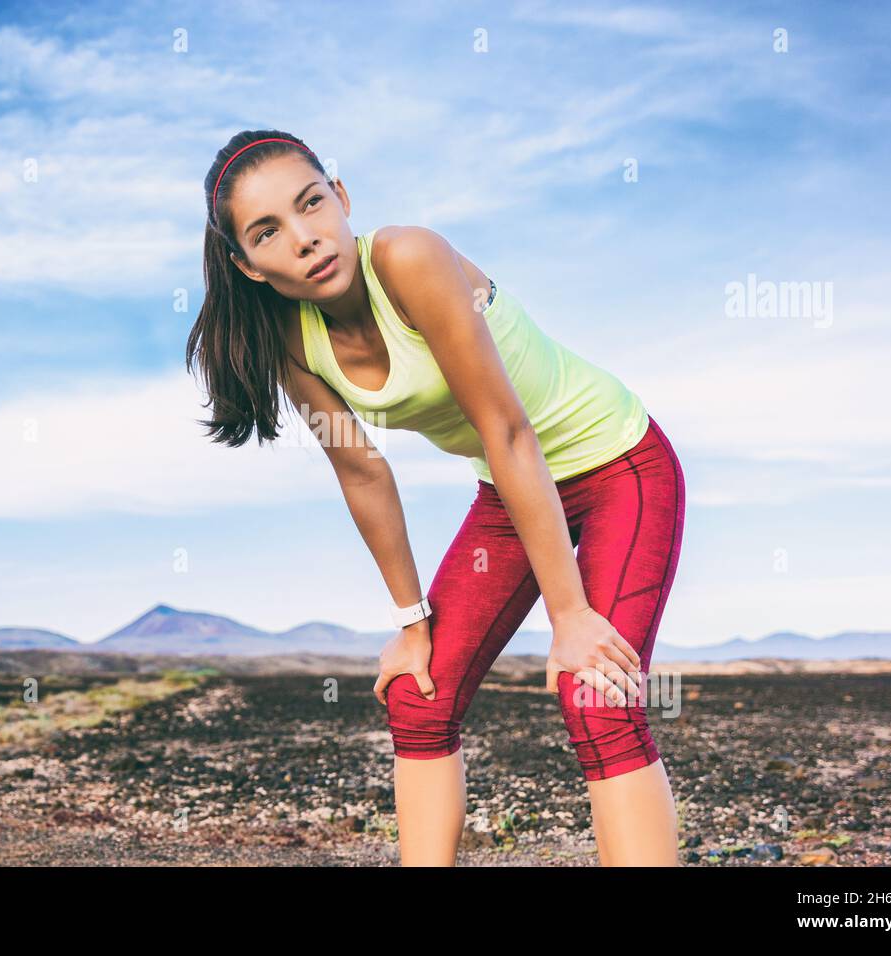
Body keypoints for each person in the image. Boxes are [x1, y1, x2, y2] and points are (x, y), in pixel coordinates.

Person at [185, 128, 686, 866]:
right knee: (418, 695)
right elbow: (362, 472)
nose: (305, 238)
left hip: (619, 466)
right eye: (268, 231)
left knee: (596, 696)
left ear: (342, 197)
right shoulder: (291, 341)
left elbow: (506, 429)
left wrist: (570, 613)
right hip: (509, 496)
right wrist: (411, 622)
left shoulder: (409, 258)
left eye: (312, 203)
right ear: (246, 265)